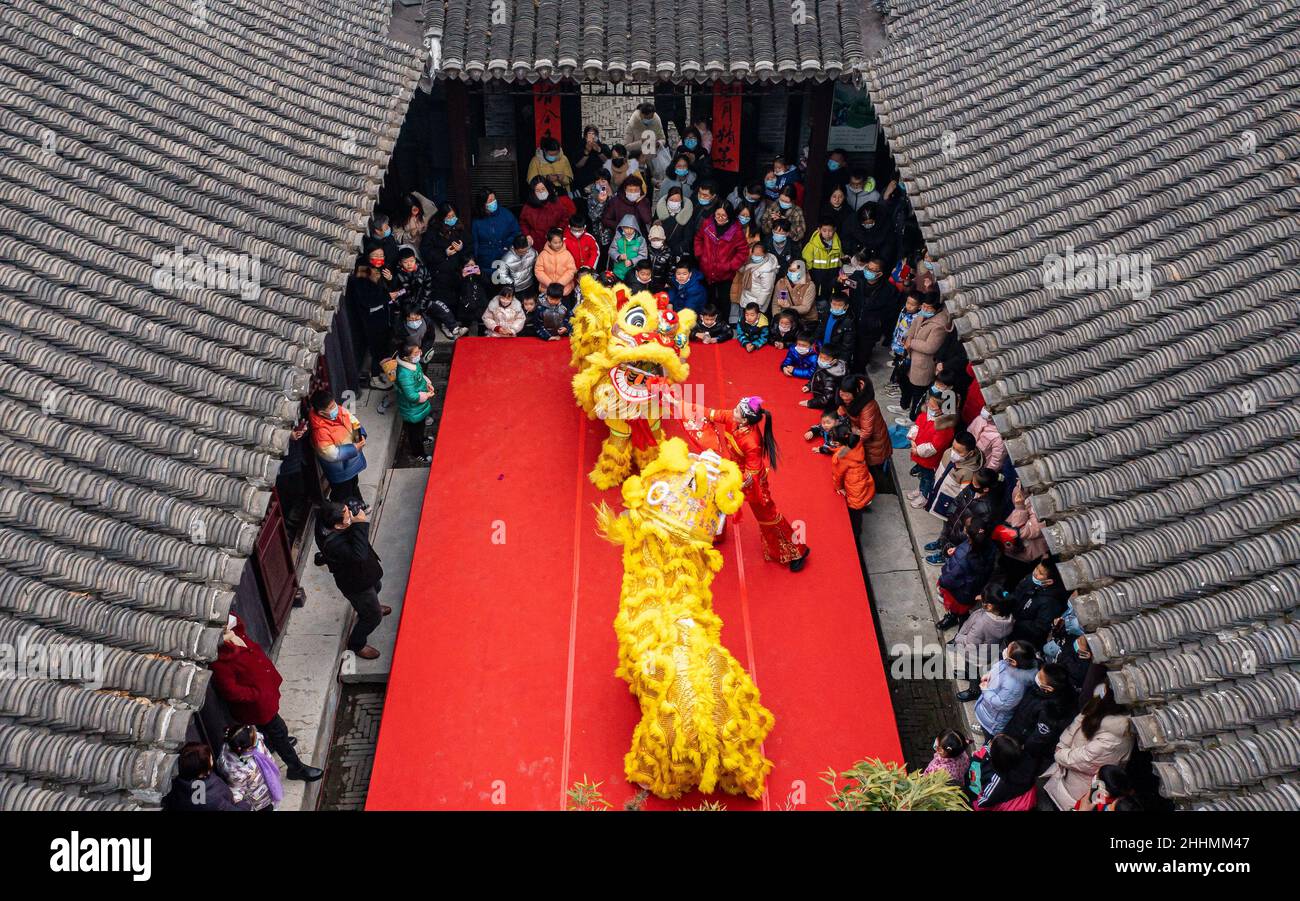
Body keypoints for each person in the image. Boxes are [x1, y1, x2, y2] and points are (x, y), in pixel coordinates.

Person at [210, 612, 325, 781]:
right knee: (279, 731)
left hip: (264, 695)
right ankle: (296, 768)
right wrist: (257, 694)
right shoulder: (221, 661)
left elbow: (235, 618)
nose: (229, 624)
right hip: (257, 706)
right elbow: (231, 691)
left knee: (271, 731)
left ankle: (272, 744)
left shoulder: (236, 634)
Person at [702, 396, 810, 570]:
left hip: (752, 484)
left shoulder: (752, 442)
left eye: (737, 410)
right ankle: (715, 535)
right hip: (734, 472)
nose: (732, 411)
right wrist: (677, 403)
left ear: (744, 420)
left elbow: (752, 475)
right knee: (715, 499)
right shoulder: (733, 418)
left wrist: (730, 479)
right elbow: (709, 413)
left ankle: (797, 550)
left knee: (768, 516)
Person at [1042, 680, 1134, 810]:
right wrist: (1062, 744)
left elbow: (1087, 760)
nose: (1102, 689)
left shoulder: (1115, 739)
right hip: (1067, 769)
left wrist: (1060, 754)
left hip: (1081, 786)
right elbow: (1079, 720)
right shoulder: (1101, 702)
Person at [315, 500, 387, 660]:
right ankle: (357, 644)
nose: (351, 515)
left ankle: (369, 607)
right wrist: (360, 524)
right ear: (338, 526)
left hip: (366, 574)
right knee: (373, 617)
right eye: (347, 515)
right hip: (356, 583)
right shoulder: (334, 545)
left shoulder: (324, 521)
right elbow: (359, 556)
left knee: (377, 586)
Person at [1003, 662, 1076, 771]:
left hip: (1021, 741)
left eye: (1040, 677)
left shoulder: (1051, 712)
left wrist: (1021, 747)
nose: (1037, 677)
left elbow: (1038, 738)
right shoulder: (1040, 690)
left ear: (1049, 688)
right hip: (1018, 725)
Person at [926, 467, 1002, 562]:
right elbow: (958, 499)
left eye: (975, 483)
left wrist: (965, 534)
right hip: (953, 520)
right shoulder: (971, 489)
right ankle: (941, 543)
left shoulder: (987, 508)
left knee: (953, 544)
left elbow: (977, 527)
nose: (971, 484)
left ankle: (944, 556)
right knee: (946, 533)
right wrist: (950, 512)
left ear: (985, 489)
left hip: (963, 532)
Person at [937, 517, 999, 630]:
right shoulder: (990, 545)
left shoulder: (963, 556)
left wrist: (942, 581)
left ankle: (961, 631)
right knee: (963, 612)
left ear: (969, 536)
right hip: (973, 590)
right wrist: (957, 549)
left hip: (959, 591)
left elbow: (949, 578)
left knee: (960, 612)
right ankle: (955, 619)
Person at [346, 255, 397, 390]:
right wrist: (386, 297)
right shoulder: (361, 284)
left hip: (384, 319)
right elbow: (369, 302)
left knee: (385, 348)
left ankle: (384, 372)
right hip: (372, 323)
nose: (376, 273)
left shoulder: (379, 278)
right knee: (377, 351)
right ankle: (374, 378)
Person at [308, 390, 367, 506]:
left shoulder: (340, 410)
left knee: (354, 483)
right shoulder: (320, 431)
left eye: (334, 404)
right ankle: (346, 513)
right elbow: (330, 454)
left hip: (352, 461)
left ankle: (359, 504)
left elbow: (353, 421)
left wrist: (360, 436)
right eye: (331, 407)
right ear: (321, 412)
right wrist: (354, 449)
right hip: (339, 468)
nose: (335, 408)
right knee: (342, 492)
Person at [952, 593, 1015, 701]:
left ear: (990, 606)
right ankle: (969, 674)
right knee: (974, 668)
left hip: (975, 654)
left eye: (984, 598)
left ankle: (974, 690)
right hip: (988, 651)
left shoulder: (982, 623)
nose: (979, 598)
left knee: (973, 668)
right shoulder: (1006, 617)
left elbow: (970, 643)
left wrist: (958, 638)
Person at [837, 375, 892, 492]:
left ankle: (878, 489)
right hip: (860, 436)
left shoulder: (868, 406)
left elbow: (866, 432)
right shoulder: (845, 398)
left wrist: (850, 445)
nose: (844, 397)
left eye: (847, 395)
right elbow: (841, 412)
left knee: (874, 470)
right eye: (842, 394)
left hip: (874, 443)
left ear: (856, 392)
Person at [974, 639, 1039, 739]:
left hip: (994, 720)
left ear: (1013, 662)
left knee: (989, 736)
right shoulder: (1009, 664)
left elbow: (1002, 704)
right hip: (988, 709)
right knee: (984, 725)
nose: (1004, 650)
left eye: (1007, 650)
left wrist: (986, 691)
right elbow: (999, 669)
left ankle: (987, 734)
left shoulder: (1015, 686)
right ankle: (983, 726)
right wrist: (989, 675)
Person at [902, 295, 954, 418]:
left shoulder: (939, 325)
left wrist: (911, 343)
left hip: (923, 365)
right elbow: (912, 329)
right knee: (907, 385)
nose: (924, 309)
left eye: (928, 307)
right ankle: (906, 406)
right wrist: (908, 339)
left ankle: (913, 416)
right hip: (911, 358)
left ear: (936, 309)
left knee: (918, 394)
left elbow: (930, 347)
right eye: (923, 306)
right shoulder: (922, 314)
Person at [162, 742, 251, 811]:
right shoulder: (212, 799)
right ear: (202, 771)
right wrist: (244, 803)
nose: (212, 758)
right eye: (210, 758)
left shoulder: (176, 781)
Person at [694, 204, 750, 312]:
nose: (720, 218)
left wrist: (730, 265)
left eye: (723, 215)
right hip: (706, 269)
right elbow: (698, 238)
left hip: (725, 273)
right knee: (708, 298)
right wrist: (700, 254)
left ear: (729, 216)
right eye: (717, 215)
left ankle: (724, 323)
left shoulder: (736, 230)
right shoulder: (707, 224)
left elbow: (743, 251)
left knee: (724, 300)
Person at [1008, 561, 1070, 650]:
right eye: (1037, 568)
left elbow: (1039, 628)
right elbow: (1017, 592)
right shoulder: (1031, 579)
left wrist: (1016, 623)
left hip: (1023, 638)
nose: (1035, 573)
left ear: (1049, 581)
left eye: (1041, 573)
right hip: (1011, 623)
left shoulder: (1051, 603)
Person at [907, 390, 956, 501]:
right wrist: (912, 441)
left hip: (930, 459)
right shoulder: (925, 415)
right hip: (920, 454)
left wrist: (917, 450)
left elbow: (934, 446)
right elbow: (916, 427)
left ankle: (925, 496)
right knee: (923, 475)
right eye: (929, 402)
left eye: (933, 405)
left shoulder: (944, 428)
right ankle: (920, 489)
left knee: (928, 478)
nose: (929, 405)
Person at [216, 725, 278, 812]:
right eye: (255, 740)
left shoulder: (253, 739)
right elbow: (237, 789)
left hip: (268, 785)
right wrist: (239, 804)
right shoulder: (236, 770)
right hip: (258, 799)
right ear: (248, 748)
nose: (257, 737)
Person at [997, 483, 1049, 587]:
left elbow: (1018, 532)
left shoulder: (1044, 507)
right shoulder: (1033, 492)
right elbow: (1016, 497)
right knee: (999, 572)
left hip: (1023, 555)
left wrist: (1020, 508)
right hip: (1009, 549)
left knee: (1012, 580)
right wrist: (1022, 488)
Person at [828, 422, 875, 537]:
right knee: (861, 499)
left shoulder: (841, 458)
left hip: (854, 485)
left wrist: (838, 487)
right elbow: (844, 448)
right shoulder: (856, 442)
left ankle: (856, 533)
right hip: (862, 476)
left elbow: (837, 474)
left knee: (855, 510)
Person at [972, 734, 1040, 811]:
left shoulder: (998, 781)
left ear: (996, 759)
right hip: (1029, 800)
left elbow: (982, 804)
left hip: (1015, 807)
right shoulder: (1028, 760)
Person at [394, 342, 435, 464]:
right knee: (414, 432)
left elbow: (420, 376)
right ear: (406, 357)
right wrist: (426, 395)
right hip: (411, 409)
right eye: (416, 353)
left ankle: (421, 439)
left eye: (419, 351)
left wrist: (427, 384)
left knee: (420, 426)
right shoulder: (404, 374)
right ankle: (418, 453)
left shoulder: (413, 364)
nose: (420, 354)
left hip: (418, 407)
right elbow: (411, 396)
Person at [520, 176, 576, 251]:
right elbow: (523, 223)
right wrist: (527, 235)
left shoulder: (556, 203)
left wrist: (559, 229)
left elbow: (565, 218)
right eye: (537, 190)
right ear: (533, 192)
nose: (541, 192)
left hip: (554, 242)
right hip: (536, 243)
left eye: (543, 189)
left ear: (548, 188)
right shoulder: (528, 207)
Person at [471, 190, 520, 271]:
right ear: (483, 204)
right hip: (485, 261)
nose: (493, 202)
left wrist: (506, 244)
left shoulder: (506, 213)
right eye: (490, 201)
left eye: (494, 199)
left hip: (505, 258)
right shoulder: (477, 220)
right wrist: (474, 259)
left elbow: (516, 232)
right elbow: (475, 242)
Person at [802, 218, 843, 310]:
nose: (827, 233)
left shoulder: (838, 243)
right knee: (818, 300)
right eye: (824, 230)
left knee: (831, 299)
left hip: (833, 275)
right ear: (819, 230)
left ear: (834, 230)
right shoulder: (812, 245)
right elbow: (806, 262)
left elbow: (840, 260)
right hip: (817, 276)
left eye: (830, 230)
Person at [887, 293, 922, 398]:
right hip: (897, 342)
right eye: (908, 303)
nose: (909, 306)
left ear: (919, 306)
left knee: (901, 365)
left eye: (912, 304)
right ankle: (894, 380)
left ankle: (896, 384)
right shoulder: (904, 310)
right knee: (897, 361)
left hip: (905, 346)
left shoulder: (918, 318)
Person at [732, 241, 779, 319]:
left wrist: (758, 305)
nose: (755, 256)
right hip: (746, 297)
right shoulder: (751, 262)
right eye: (754, 253)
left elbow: (766, 289)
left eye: (758, 254)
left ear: (765, 254)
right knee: (744, 322)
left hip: (756, 303)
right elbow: (744, 271)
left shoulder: (767, 269)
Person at [1075, 764, 1141, 811]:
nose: (1095, 776)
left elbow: (1081, 805)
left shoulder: (1101, 802)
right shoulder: (1126, 796)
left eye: (1097, 777)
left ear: (1106, 793)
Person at [535, 227, 578, 298]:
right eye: (555, 243)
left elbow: (571, 270)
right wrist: (550, 284)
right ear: (549, 242)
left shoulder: (567, 254)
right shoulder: (543, 255)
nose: (558, 245)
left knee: (565, 308)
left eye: (560, 242)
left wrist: (560, 284)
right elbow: (538, 271)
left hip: (564, 290)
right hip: (547, 290)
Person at [772, 259, 818, 324]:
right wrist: (777, 320)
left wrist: (789, 308)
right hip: (786, 321)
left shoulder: (810, 285)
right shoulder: (781, 283)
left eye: (795, 271)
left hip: (806, 321)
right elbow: (775, 304)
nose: (792, 273)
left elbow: (806, 308)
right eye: (790, 270)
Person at [655, 186, 695, 257]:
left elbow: (688, 238)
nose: (674, 202)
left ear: (681, 201)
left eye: (677, 200)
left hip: (677, 252)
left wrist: (676, 250)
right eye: (671, 199)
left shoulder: (686, 214)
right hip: (660, 250)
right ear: (667, 199)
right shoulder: (660, 210)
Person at [816, 291, 855, 363]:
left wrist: (842, 360)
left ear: (846, 306)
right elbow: (820, 329)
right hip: (823, 350)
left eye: (840, 305)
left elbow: (847, 344)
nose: (836, 307)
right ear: (830, 303)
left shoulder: (848, 322)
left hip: (835, 355)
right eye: (834, 304)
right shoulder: (826, 314)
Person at [572, 125, 611, 194]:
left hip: (600, 180)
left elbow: (608, 162)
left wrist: (599, 151)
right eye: (589, 134)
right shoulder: (579, 147)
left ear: (597, 136)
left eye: (594, 134)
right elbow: (578, 165)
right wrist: (586, 152)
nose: (591, 136)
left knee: (602, 199)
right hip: (583, 181)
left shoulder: (603, 147)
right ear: (585, 136)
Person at [967, 404, 1007, 470]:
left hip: (978, 467)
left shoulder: (999, 437)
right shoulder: (980, 418)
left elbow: (996, 461)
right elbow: (968, 433)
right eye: (986, 406)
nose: (985, 409)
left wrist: (985, 473)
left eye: (990, 410)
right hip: (966, 458)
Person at [609, 214, 647, 281]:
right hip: (618, 272)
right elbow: (612, 250)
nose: (629, 230)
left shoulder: (640, 240)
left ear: (635, 228)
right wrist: (618, 256)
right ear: (622, 227)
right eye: (626, 228)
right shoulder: (618, 237)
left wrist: (632, 261)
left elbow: (643, 256)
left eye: (631, 228)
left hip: (633, 273)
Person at [584, 175, 615, 254]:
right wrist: (601, 202)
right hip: (598, 233)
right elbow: (593, 216)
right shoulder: (592, 195)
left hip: (612, 233)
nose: (601, 184)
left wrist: (611, 195)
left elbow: (615, 212)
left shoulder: (614, 193)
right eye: (598, 181)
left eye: (603, 181)